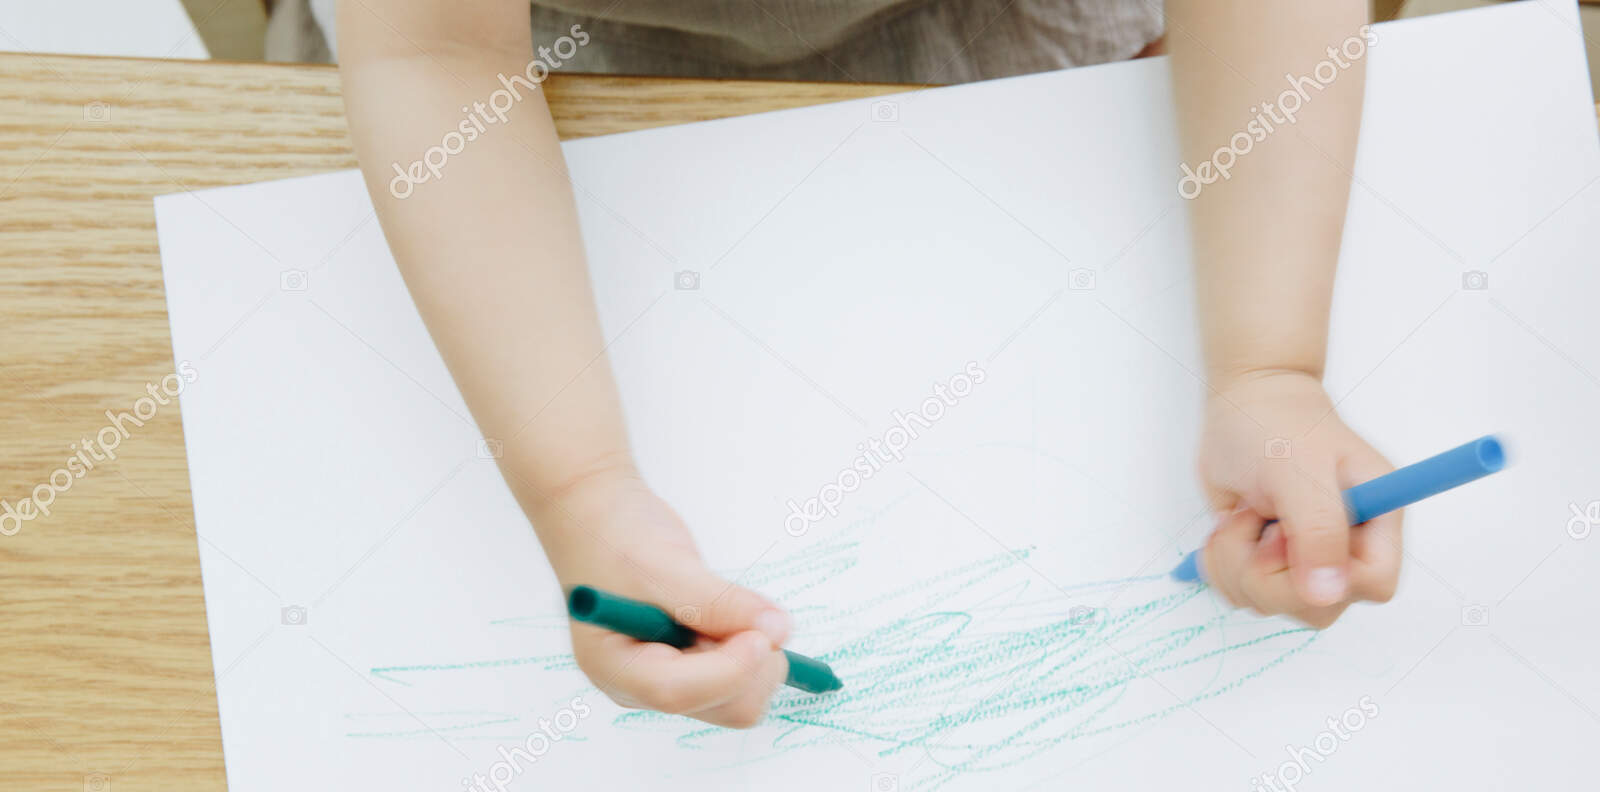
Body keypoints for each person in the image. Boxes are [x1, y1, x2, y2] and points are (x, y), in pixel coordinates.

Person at [334, 1, 1401, 728]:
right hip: (556, 64)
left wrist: (1271, 365)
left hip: (1023, 47)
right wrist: (578, 487)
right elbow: (433, 47)